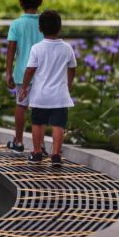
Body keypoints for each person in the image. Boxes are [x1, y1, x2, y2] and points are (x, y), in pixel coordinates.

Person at [18, 10, 77, 167]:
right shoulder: (67, 48)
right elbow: (72, 68)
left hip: (40, 95)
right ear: (60, 28)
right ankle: (56, 155)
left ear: (40, 29)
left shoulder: (37, 48)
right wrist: (69, 83)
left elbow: (30, 70)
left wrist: (24, 87)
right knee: (58, 125)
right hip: (60, 96)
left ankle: (37, 153)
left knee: (38, 123)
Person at [5, 0, 44, 153]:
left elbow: (11, 49)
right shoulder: (45, 22)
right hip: (42, 73)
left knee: (21, 106)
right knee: (40, 109)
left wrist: (8, 73)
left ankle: (19, 142)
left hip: (22, 74)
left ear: (20, 2)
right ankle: (40, 145)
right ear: (40, 2)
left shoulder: (16, 24)